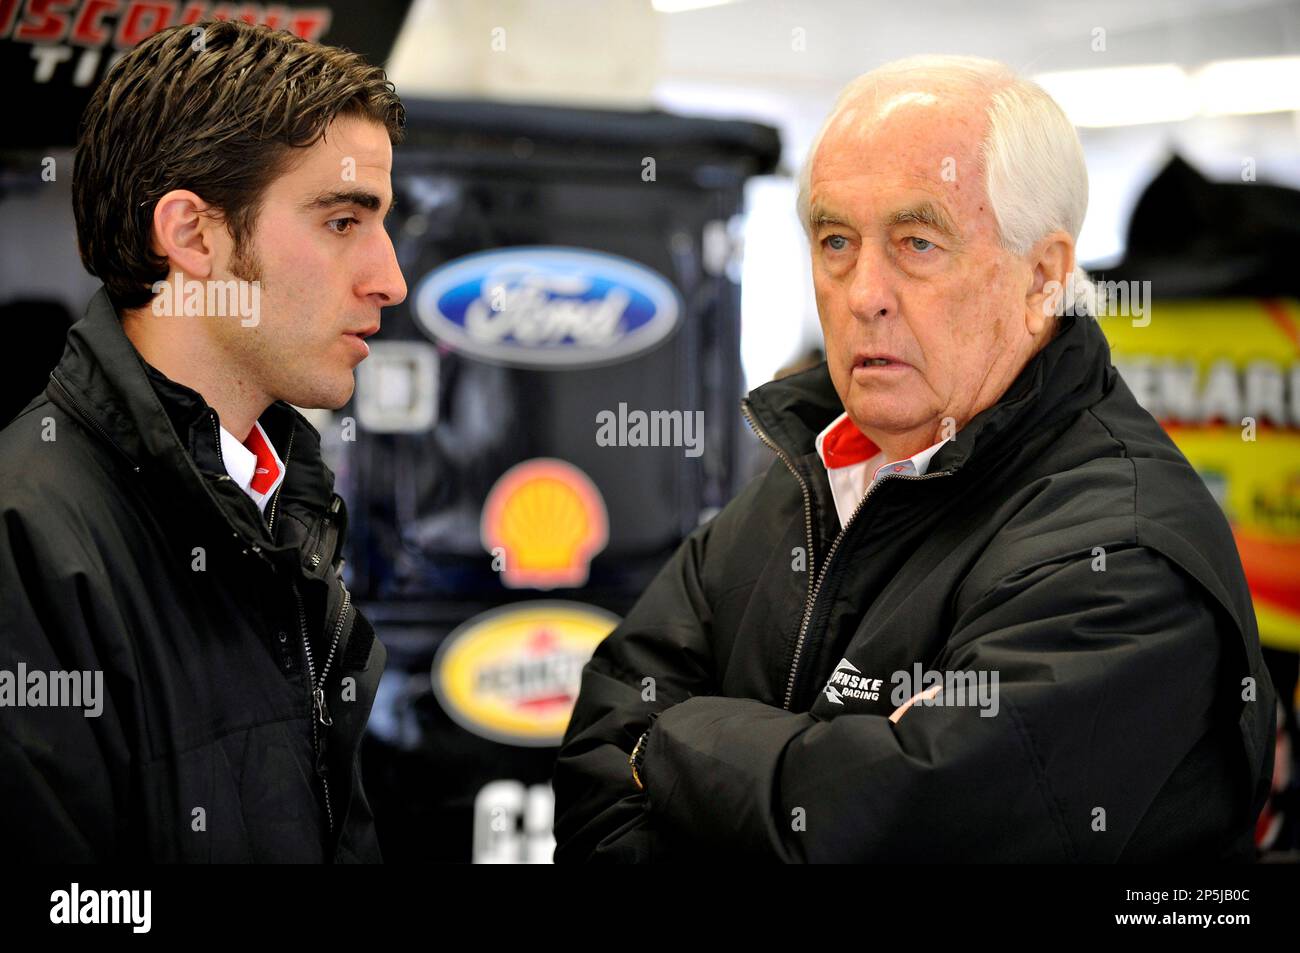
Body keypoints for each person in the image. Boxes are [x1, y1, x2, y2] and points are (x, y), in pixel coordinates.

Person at [553, 55, 1276, 862]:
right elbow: (595, 764)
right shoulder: (798, 486)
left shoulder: (1122, 554)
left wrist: (674, 742)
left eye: (918, 243)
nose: (864, 292)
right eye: (835, 241)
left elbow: (898, 834)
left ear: (1044, 276)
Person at [0, 19, 407, 861]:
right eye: (341, 221)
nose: (389, 279)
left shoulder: (285, 510)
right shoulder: (25, 540)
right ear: (191, 235)